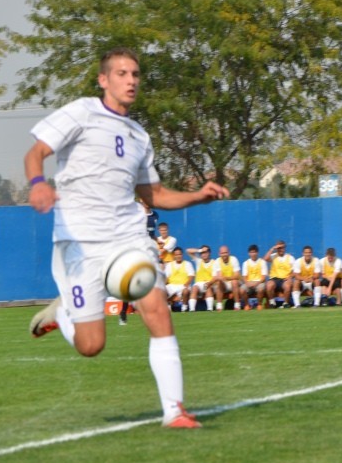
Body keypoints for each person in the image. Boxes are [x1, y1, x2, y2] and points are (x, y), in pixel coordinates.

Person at [25, 47, 229, 429]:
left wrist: (198, 196)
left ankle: (174, 411)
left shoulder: (138, 136)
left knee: (156, 305)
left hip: (128, 235)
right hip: (80, 242)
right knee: (91, 346)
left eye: (135, 74)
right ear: (103, 80)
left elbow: (155, 195)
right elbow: (35, 152)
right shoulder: (82, 112)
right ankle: (64, 314)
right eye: (122, 73)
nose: (131, 80)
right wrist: (38, 183)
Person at [120, 199, 159, 325]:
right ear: (141, 200)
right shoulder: (136, 215)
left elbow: (151, 233)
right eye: (144, 199)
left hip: (149, 252)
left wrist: (156, 240)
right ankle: (123, 311)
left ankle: (151, 311)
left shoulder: (155, 215)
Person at [264, 240, 295, 308]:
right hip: (274, 279)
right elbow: (265, 259)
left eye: (282, 248)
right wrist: (273, 248)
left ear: (285, 248)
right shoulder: (273, 256)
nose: (281, 249)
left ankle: (285, 303)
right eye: (279, 248)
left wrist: (290, 277)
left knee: (287, 286)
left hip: (285, 279)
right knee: (269, 285)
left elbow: (295, 271)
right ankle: (272, 303)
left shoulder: (290, 258)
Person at [187, 245, 217, 312]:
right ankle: (192, 310)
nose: (204, 254)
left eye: (206, 252)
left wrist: (209, 283)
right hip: (199, 284)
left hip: (210, 283)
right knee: (194, 288)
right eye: (202, 253)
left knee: (208, 287)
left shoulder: (214, 262)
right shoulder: (199, 261)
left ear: (209, 253)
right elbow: (188, 251)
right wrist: (199, 250)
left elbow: (215, 277)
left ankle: (210, 309)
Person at [212, 245, 242, 311]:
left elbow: (237, 275)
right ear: (219, 254)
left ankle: (237, 305)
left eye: (225, 252)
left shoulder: (234, 259)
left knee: (234, 282)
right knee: (219, 282)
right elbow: (218, 276)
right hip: (224, 284)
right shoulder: (217, 261)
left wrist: (226, 278)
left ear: (229, 253)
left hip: (234, 283)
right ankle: (219, 306)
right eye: (222, 253)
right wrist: (221, 279)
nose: (224, 254)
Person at [164, 246, 195, 311]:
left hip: (183, 286)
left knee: (186, 291)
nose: (178, 256)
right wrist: (163, 285)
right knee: (162, 290)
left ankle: (184, 307)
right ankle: (168, 306)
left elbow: (191, 276)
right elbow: (166, 278)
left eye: (180, 254)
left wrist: (186, 285)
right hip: (172, 286)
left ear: (182, 255)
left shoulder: (187, 264)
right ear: (174, 256)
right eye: (176, 255)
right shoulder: (169, 265)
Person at [240, 244, 268, 310]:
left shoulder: (262, 262)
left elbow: (264, 277)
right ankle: (247, 305)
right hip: (249, 283)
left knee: (260, 289)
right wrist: (247, 283)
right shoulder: (245, 263)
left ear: (257, 253)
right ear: (249, 253)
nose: (253, 254)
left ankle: (259, 304)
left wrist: (256, 283)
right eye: (251, 252)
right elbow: (244, 277)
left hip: (259, 282)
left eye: (254, 252)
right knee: (242, 289)